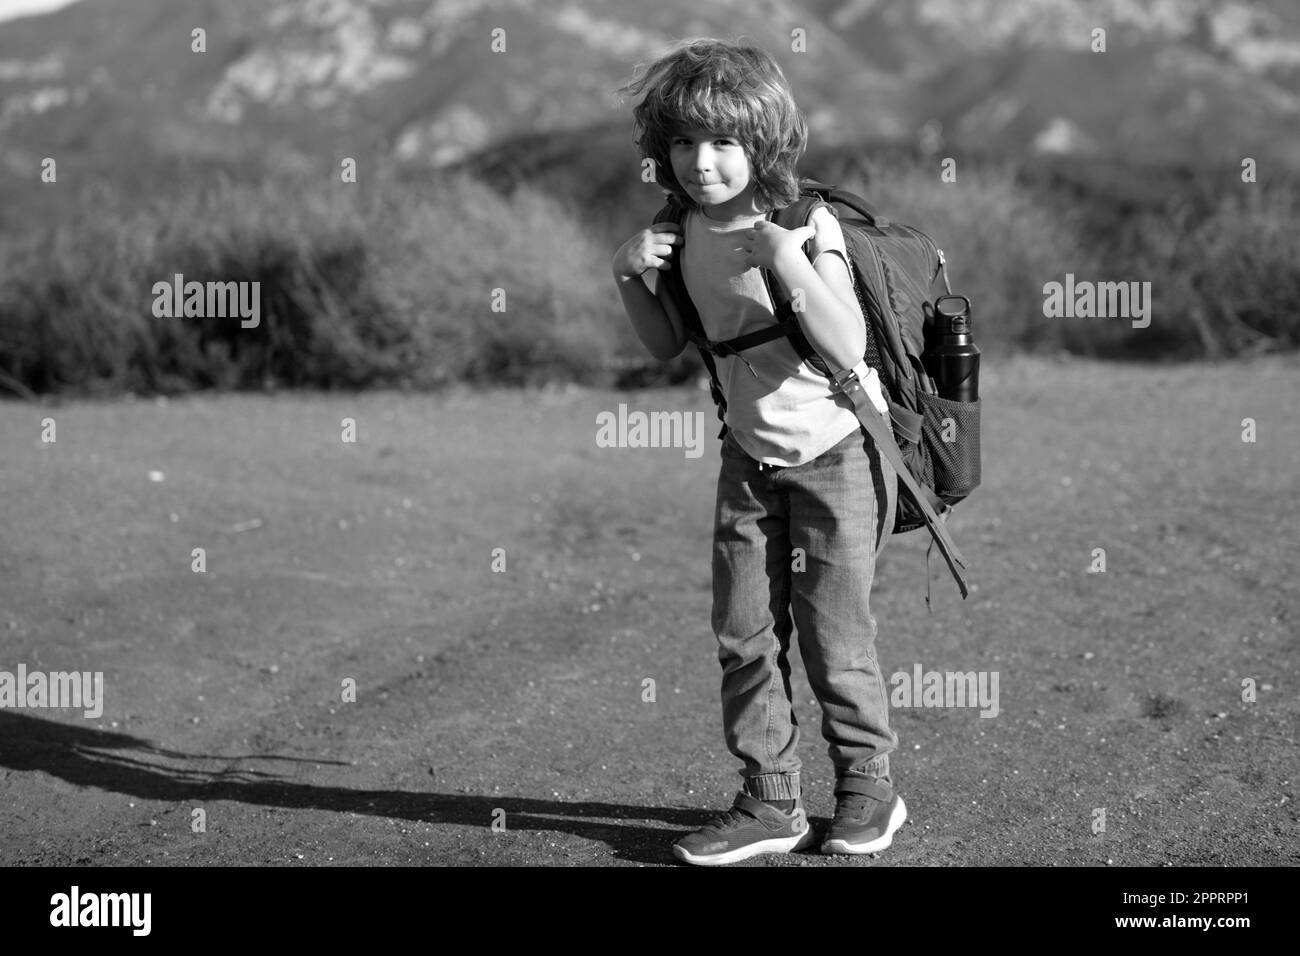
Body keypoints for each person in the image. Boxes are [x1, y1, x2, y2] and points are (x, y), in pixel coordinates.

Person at [611, 38, 906, 865]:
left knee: (833, 635)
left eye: (723, 144)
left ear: (762, 143)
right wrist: (628, 275)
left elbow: (847, 346)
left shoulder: (802, 223)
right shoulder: (680, 230)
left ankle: (867, 793)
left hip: (840, 451)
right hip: (749, 456)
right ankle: (772, 801)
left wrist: (791, 263)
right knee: (743, 631)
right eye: (682, 143)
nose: (701, 163)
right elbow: (671, 341)